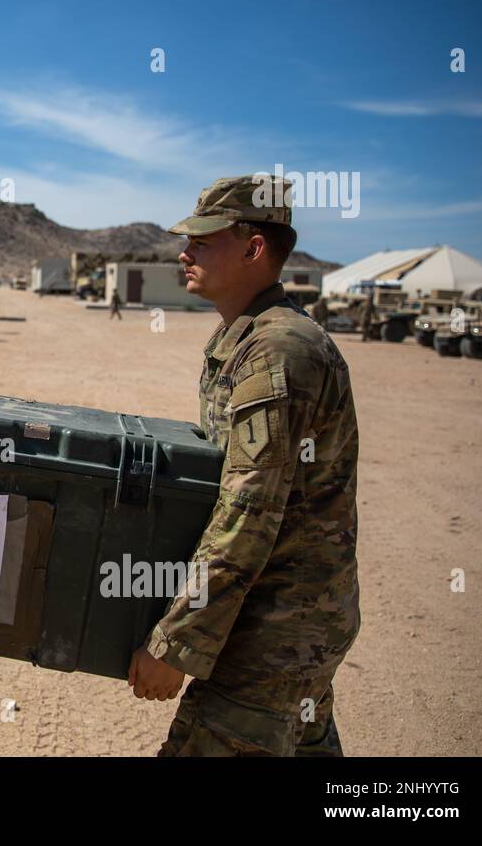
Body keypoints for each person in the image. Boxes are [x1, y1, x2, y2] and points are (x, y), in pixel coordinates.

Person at [128, 174, 360, 757]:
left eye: (203, 242)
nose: (186, 252)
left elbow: (248, 512)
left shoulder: (277, 351)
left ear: (254, 249)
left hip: (277, 630)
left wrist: (175, 641)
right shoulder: (248, 335)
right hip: (287, 619)